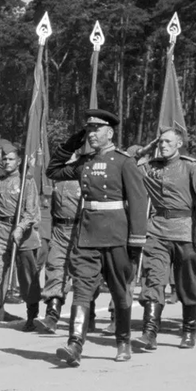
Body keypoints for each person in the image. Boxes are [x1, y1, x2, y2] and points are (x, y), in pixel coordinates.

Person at [45, 109, 148, 365]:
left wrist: (136, 242)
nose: (91, 134)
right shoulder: (85, 163)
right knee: (81, 290)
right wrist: (73, 141)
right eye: (88, 130)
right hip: (87, 237)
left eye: (96, 130)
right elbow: (53, 170)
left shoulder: (124, 162)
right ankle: (75, 344)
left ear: (109, 133)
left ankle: (123, 341)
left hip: (116, 237)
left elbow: (138, 201)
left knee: (120, 292)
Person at [136, 128, 196, 350]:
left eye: (168, 141)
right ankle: (149, 332)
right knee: (153, 278)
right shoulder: (152, 166)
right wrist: (146, 149)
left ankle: (189, 329)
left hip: (184, 231)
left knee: (187, 282)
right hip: (157, 229)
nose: (163, 145)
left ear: (179, 144)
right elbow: (132, 165)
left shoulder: (190, 167)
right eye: (160, 142)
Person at [0, 144, 41, 335]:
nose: (7, 162)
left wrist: (20, 228)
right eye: (4, 159)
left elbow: (32, 212)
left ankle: (31, 315)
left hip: (24, 234)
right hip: (1, 231)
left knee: (27, 276)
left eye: (11, 159)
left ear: (19, 161)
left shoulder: (27, 182)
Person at [38, 177, 82, 334]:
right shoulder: (54, 175)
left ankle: (87, 317)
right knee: (55, 269)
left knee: (84, 275)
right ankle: (52, 315)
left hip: (81, 229)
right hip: (59, 229)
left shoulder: (87, 172)